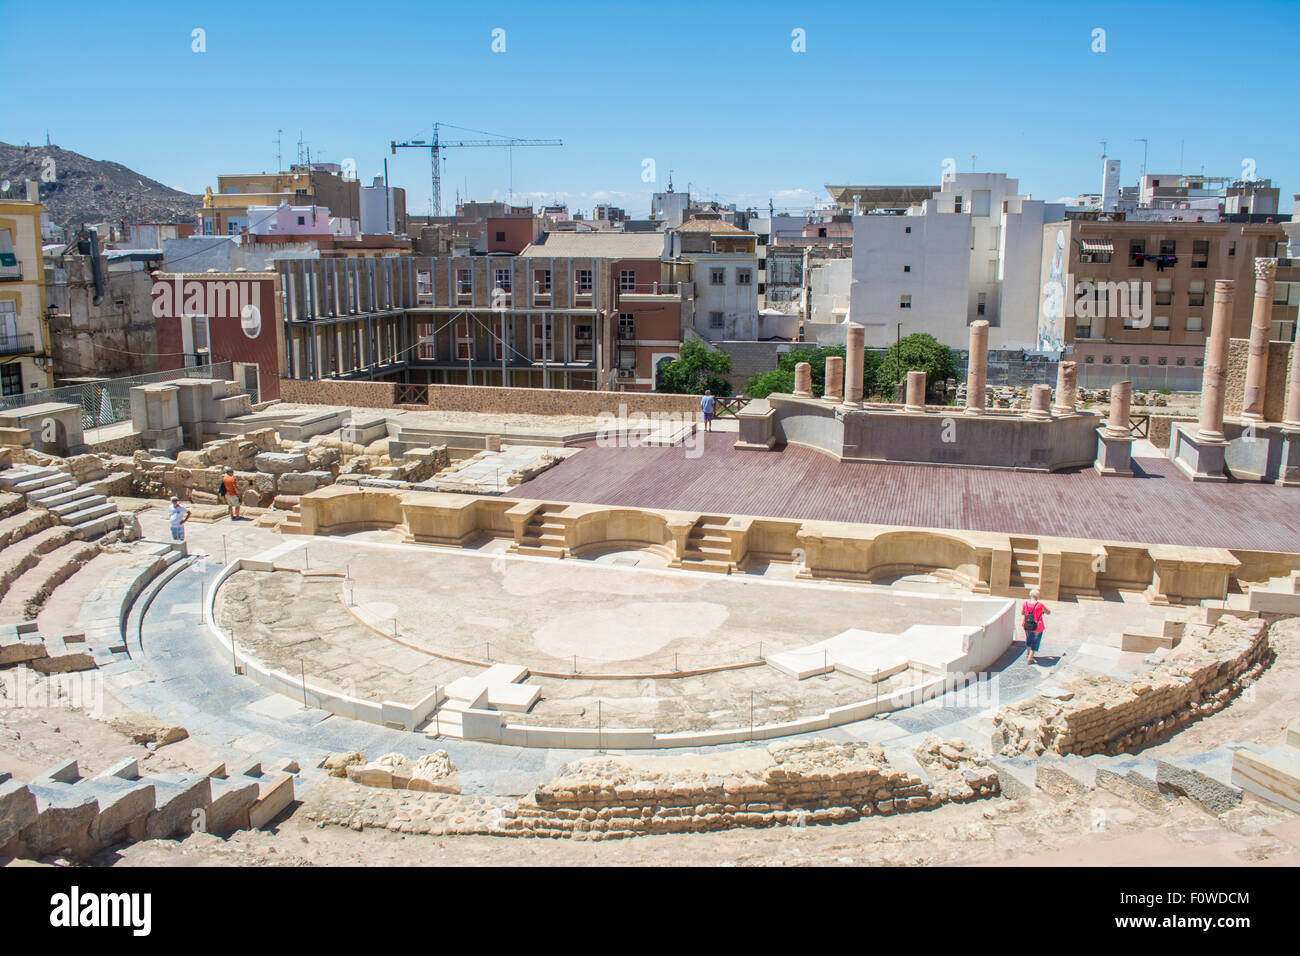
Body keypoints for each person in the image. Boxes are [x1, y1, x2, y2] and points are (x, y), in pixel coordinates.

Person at [1021, 588, 1050, 664]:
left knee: (1028, 638)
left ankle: (1027, 653)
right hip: (1038, 626)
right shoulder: (1040, 605)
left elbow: (1022, 613)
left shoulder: (1025, 603)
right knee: (1035, 641)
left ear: (1030, 595)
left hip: (1027, 624)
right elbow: (1048, 612)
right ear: (1037, 596)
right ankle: (1030, 658)